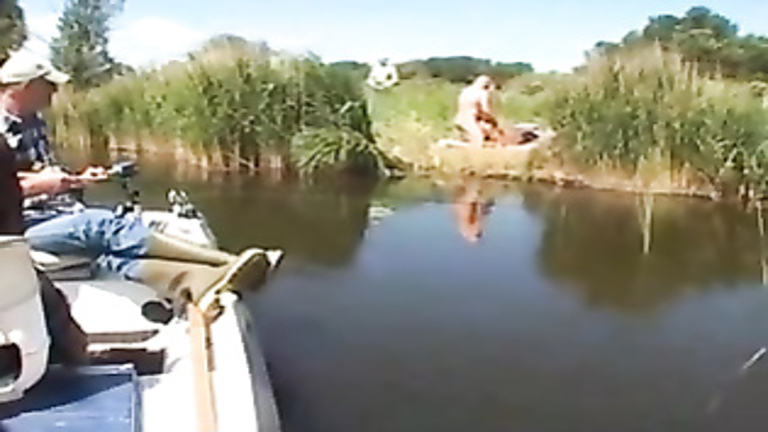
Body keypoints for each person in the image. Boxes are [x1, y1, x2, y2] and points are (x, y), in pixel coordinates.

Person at [0, 52, 269, 303]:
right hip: (16, 225)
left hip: (51, 212)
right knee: (103, 226)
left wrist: (77, 180)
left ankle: (199, 279)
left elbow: (35, 173)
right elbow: (18, 186)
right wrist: (42, 185)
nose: (54, 91)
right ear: (24, 87)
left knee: (108, 255)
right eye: (48, 84)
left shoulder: (34, 122)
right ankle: (227, 262)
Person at [454, 75, 502, 148]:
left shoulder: (465, 91)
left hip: (460, 120)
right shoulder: (482, 93)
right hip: (471, 121)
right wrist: (494, 122)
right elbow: (486, 110)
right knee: (479, 141)